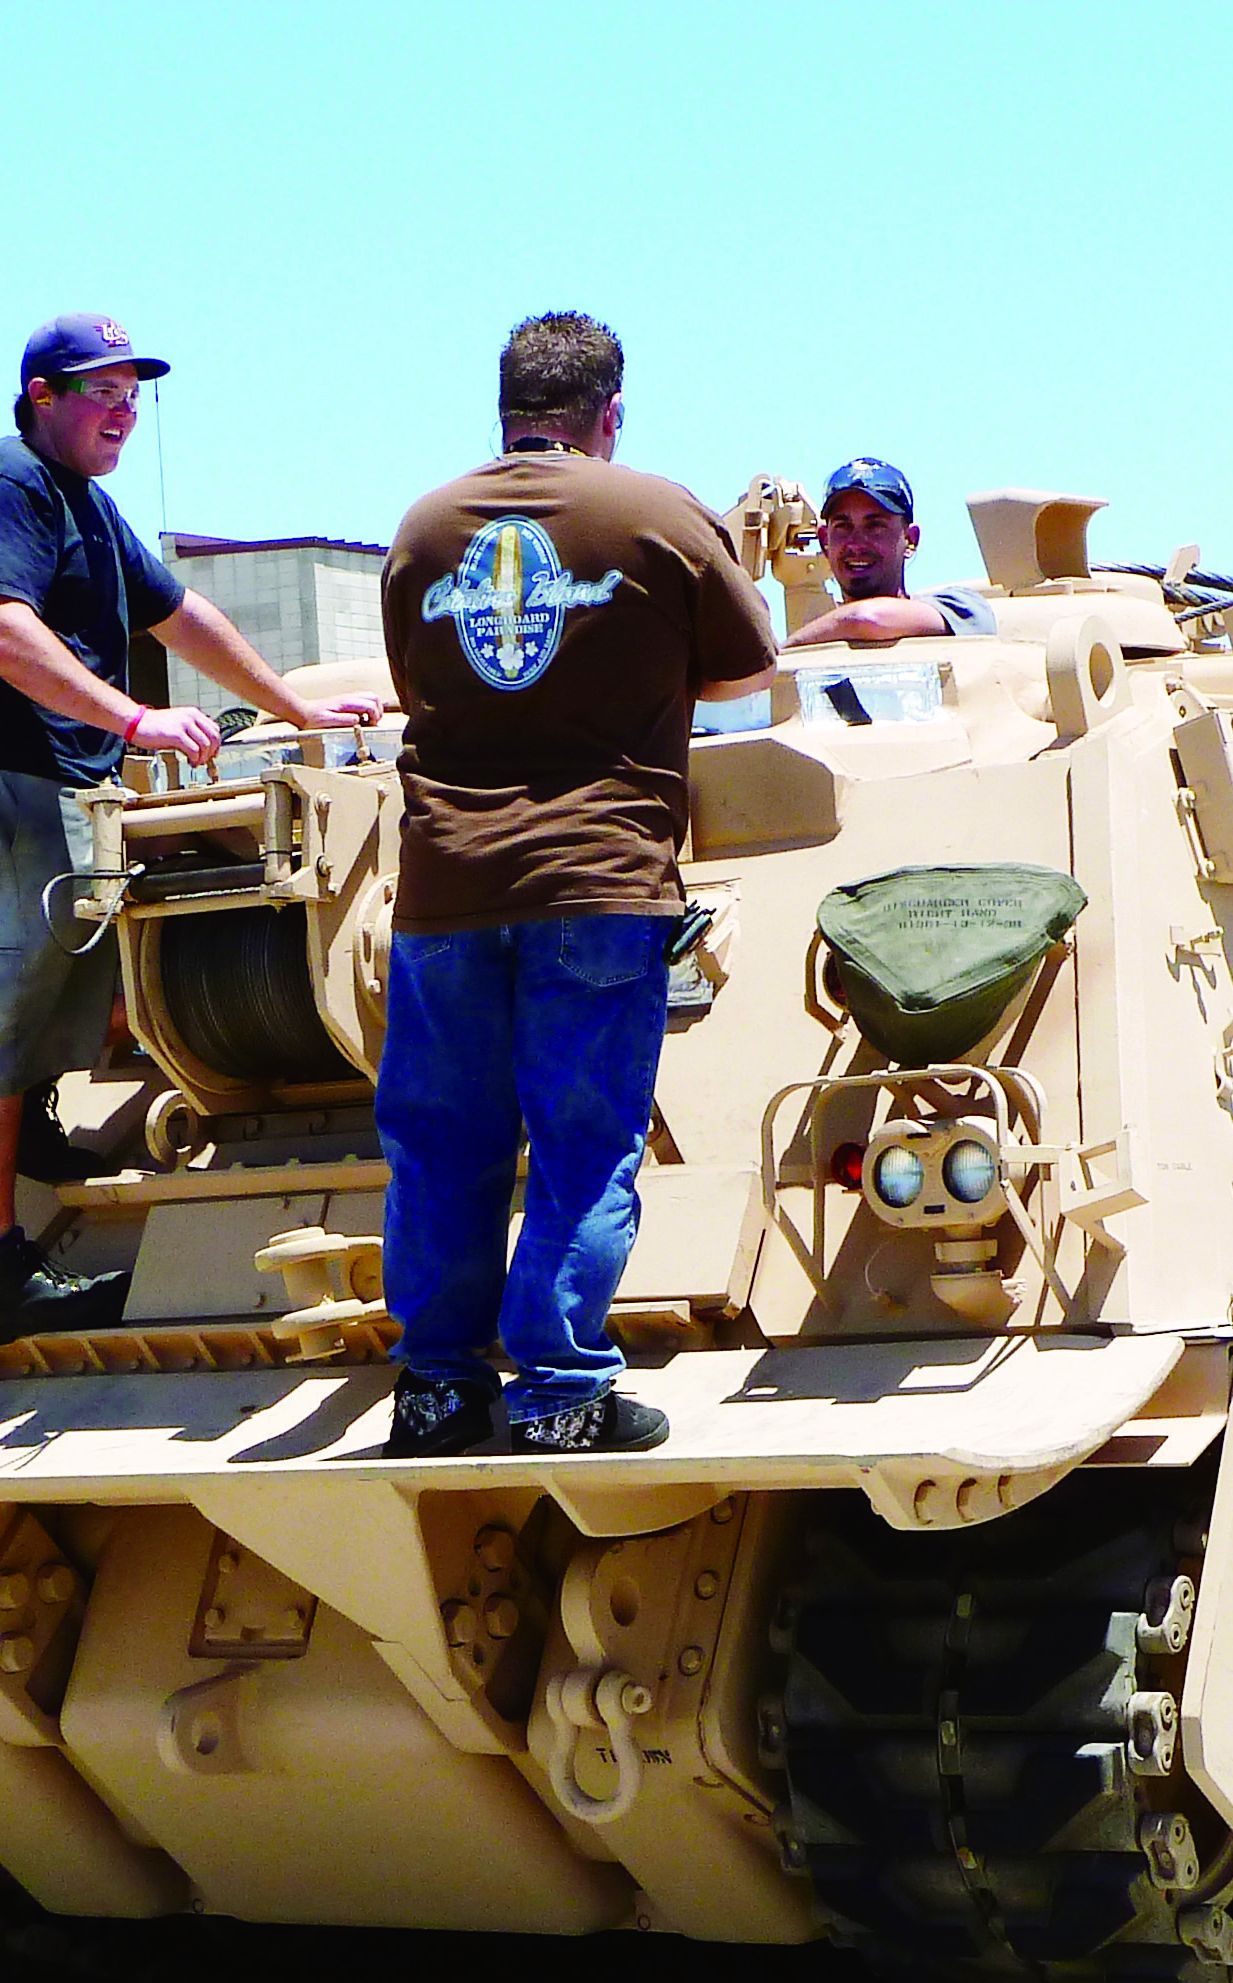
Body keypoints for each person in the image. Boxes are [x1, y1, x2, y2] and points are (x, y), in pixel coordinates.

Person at [0, 312, 385, 1346]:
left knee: (85, 954)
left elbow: (178, 616)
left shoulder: (84, 504)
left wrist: (291, 705)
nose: (124, 409)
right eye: (101, 390)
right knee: (2, 1005)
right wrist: (131, 718)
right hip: (2, 788)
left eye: (135, 393)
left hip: (63, 791)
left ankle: (10, 1121)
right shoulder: (2, 483)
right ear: (41, 395)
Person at [376, 312, 778, 1455]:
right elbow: (752, 664)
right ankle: (557, 1392)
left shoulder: (423, 527)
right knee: (581, 1141)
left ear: (505, 408)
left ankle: (436, 1390)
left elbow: (419, 678)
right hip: (600, 878)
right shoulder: (655, 510)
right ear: (609, 414)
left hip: (443, 885)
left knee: (439, 1142)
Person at [779, 457, 992, 651]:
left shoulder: (960, 608)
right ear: (825, 541)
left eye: (875, 526)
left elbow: (866, 619)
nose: (856, 543)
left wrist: (785, 651)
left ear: (910, 539)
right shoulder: (822, 641)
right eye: (843, 527)